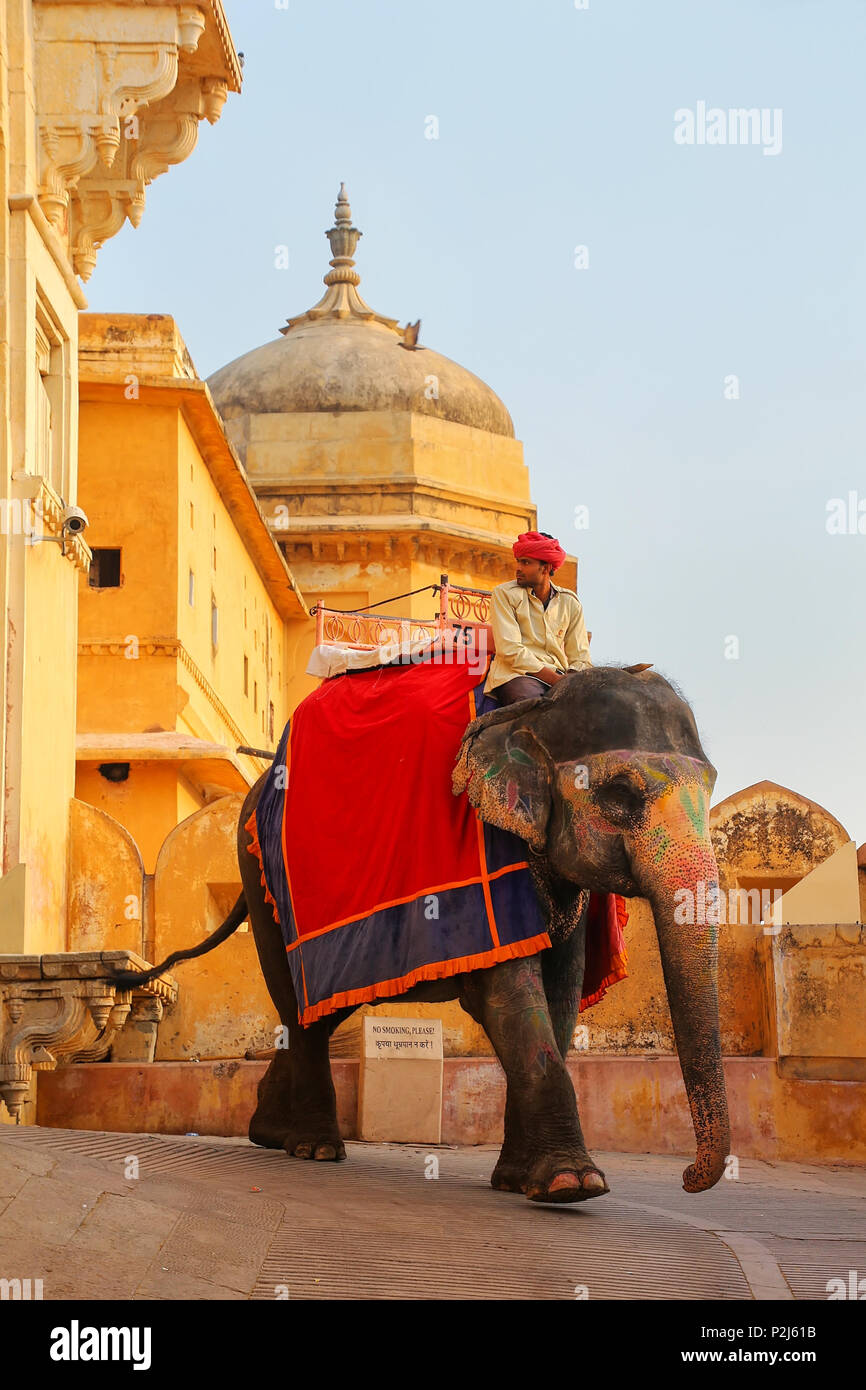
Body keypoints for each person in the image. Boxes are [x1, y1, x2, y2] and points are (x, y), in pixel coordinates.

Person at [484, 530, 591, 705]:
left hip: (560, 677)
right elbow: (510, 651)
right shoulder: (504, 594)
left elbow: (581, 657)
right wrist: (556, 681)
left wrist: (571, 679)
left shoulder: (570, 602)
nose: (518, 568)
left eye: (526, 562)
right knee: (534, 708)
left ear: (546, 568)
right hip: (516, 675)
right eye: (519, 561)